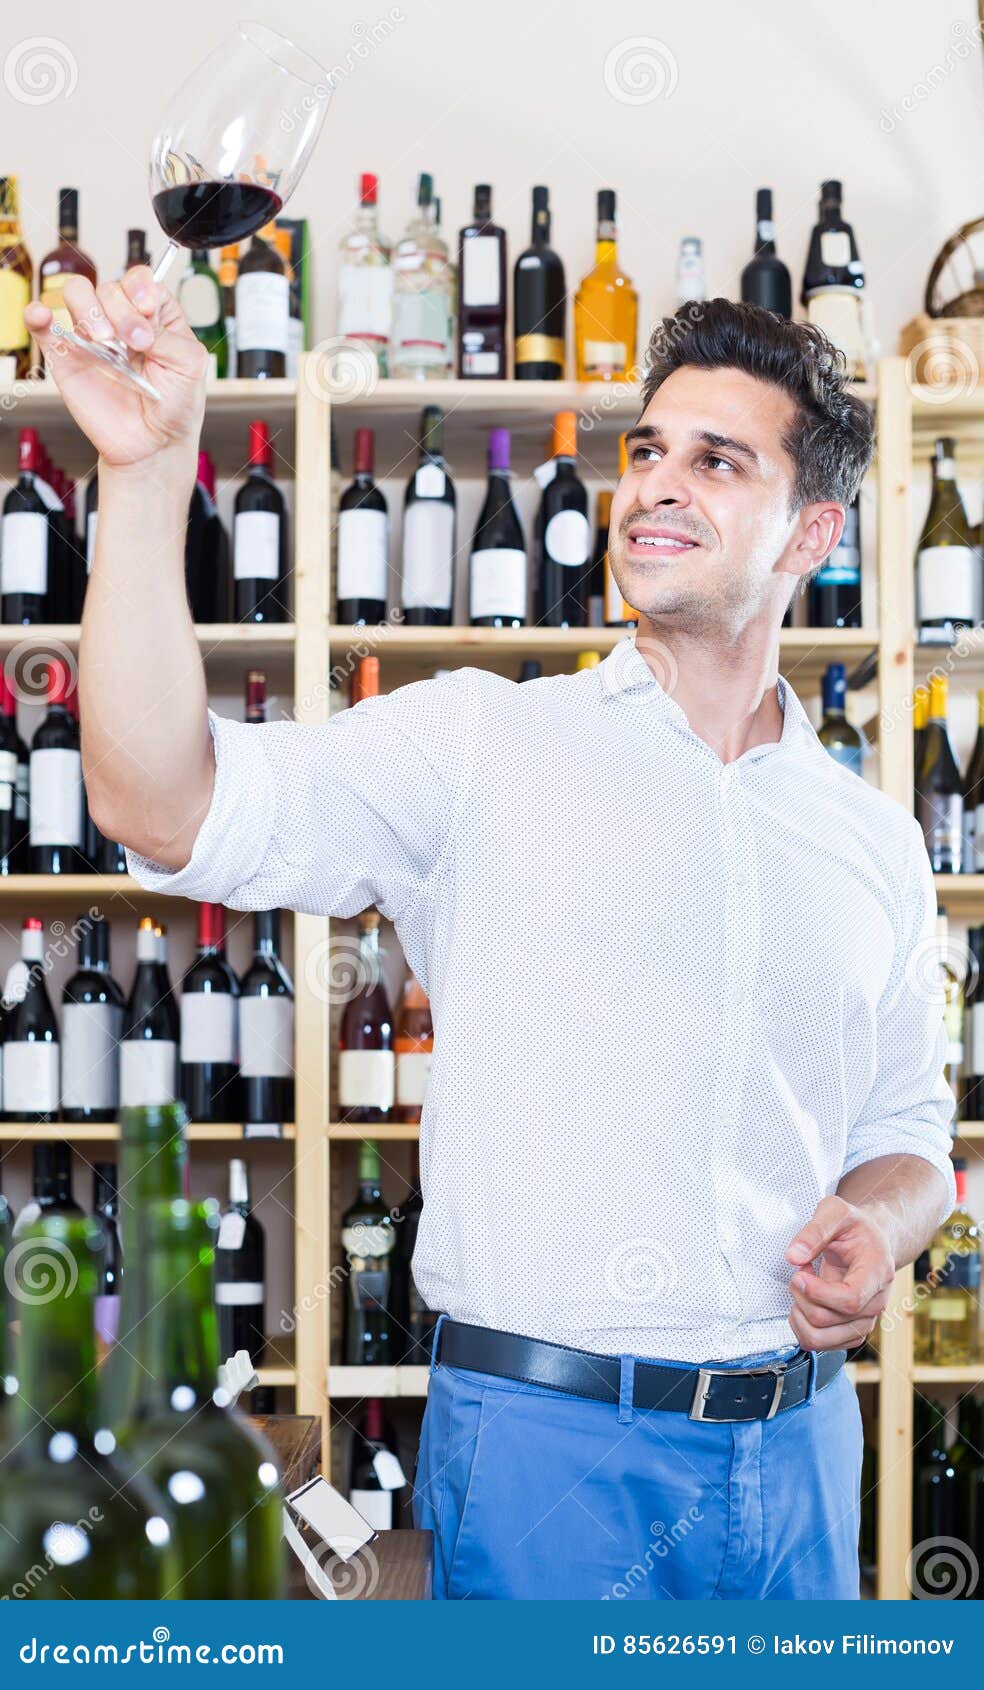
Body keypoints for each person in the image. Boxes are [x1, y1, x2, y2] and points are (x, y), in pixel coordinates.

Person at [26, 277, 955, 1603]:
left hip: (803, 1451)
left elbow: (914, 1130)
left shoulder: (874, 840)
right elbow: (158, 801)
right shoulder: (480, 744)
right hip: (547, 1456)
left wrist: (877, 1220)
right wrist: (143, 469)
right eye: (647, 452)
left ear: (814, 530)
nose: (657, 485)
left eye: (716, 459)